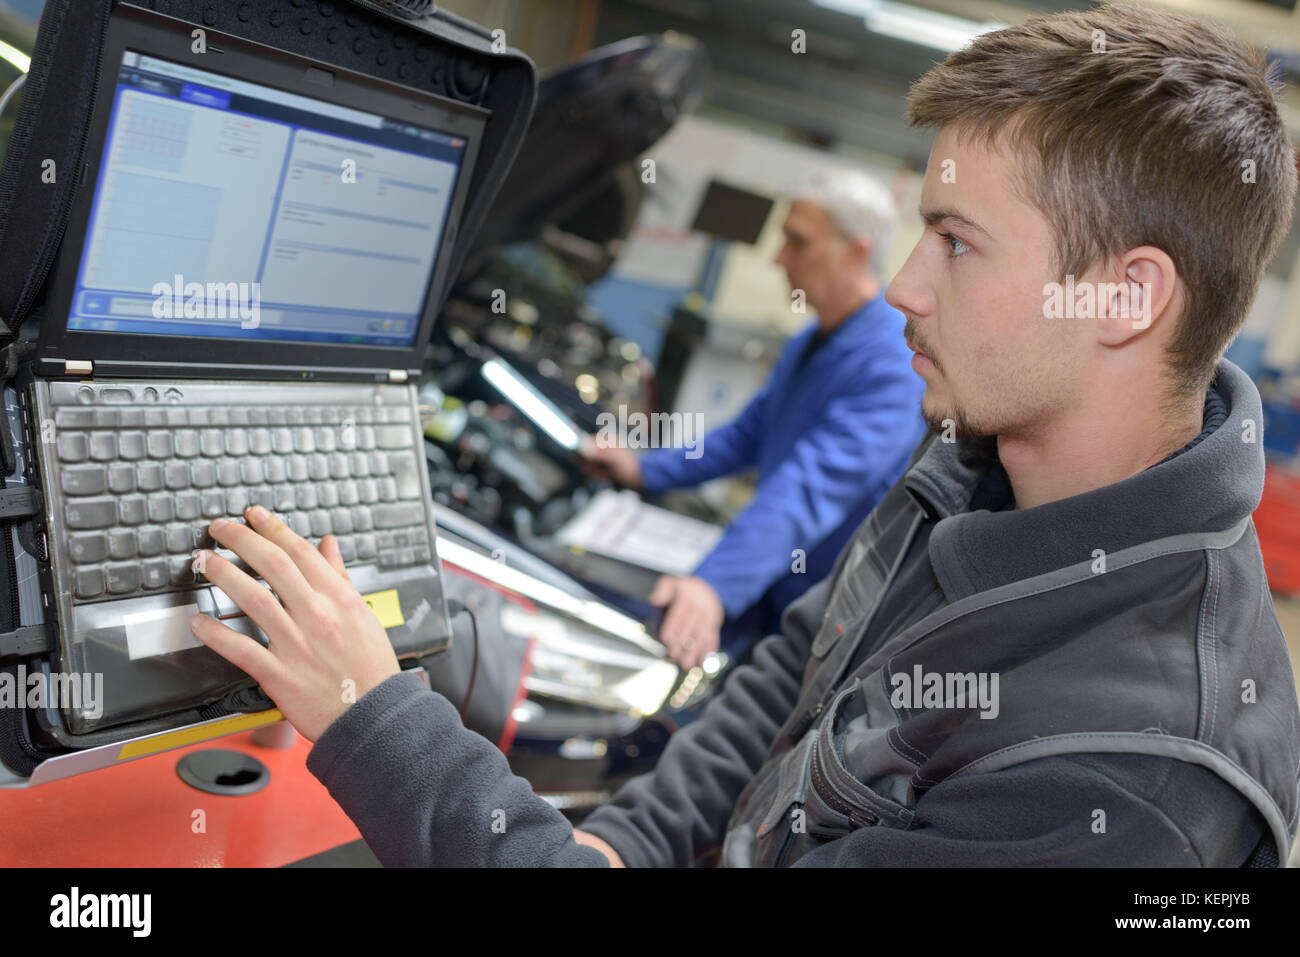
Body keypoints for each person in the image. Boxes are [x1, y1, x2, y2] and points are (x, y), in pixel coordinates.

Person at [190, 3, 1300, 866]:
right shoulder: (977, 462)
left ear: (1124, 298)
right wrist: (627, 841)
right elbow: (798, 677)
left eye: (956, 244)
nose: (904, 289)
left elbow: (796, 496)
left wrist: (371, 716)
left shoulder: (1125, 781)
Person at [581, 170, 926, 668]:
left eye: (797, 242)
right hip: (776, 579)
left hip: (829, 615)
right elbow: (747, 435)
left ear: (854, 250)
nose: (778, 259)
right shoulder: (811, 339)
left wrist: (714, 585)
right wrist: (646, 469)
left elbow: (809, 487)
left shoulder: (893, 364)